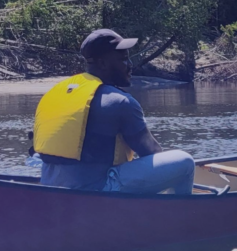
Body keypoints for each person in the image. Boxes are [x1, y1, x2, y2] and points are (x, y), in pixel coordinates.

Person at [32, 28, 195, 195]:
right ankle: (177, 210)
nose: (130, 65)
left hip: (51, 188)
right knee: (185, 163)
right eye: (123, 59)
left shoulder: (55, 93)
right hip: (95, 191)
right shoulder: (120, 102)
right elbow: (151, 152)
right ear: (102, 63)